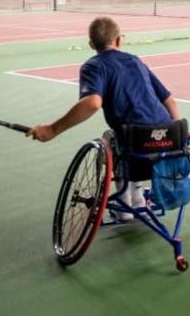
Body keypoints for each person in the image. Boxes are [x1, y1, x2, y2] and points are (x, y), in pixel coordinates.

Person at [27, 16, 179, 220]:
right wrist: (177, 133)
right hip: (169, 139)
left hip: (135, 143)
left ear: (91, 45)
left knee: (112, 140)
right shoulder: (136, 61)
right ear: (118, 40)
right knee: (130, 139)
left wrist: (52, 129)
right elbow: (170, 101)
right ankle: (139, 198)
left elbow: (92, 103)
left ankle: (125, 203)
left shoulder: (94, 66)